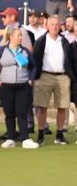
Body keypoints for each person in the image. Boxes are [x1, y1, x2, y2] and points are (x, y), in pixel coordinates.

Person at [0, 26, 38, 148]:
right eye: (18, 35)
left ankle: (25, 138)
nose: (20, 38)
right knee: (9, 113)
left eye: (20, 35)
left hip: (23, 86)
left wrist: (30, 79)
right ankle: (10, 138)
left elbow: (33, 66)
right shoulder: (2, 51)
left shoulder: (25, 51)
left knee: (22, 112)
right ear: (11, 37)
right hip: (6, 86)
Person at [31, 14, 74, 145]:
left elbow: (69, 59)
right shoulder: (41, 41)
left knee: (62, 107)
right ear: (47, 26)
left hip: (62, 76)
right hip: (44, 76)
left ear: (60, 26)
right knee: (42, 107)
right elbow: (35, 59)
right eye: (52, 24)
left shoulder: (64, 41)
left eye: (57, 25)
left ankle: (59, 134)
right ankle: (40, 134)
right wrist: (34, 76)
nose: (55, 27)